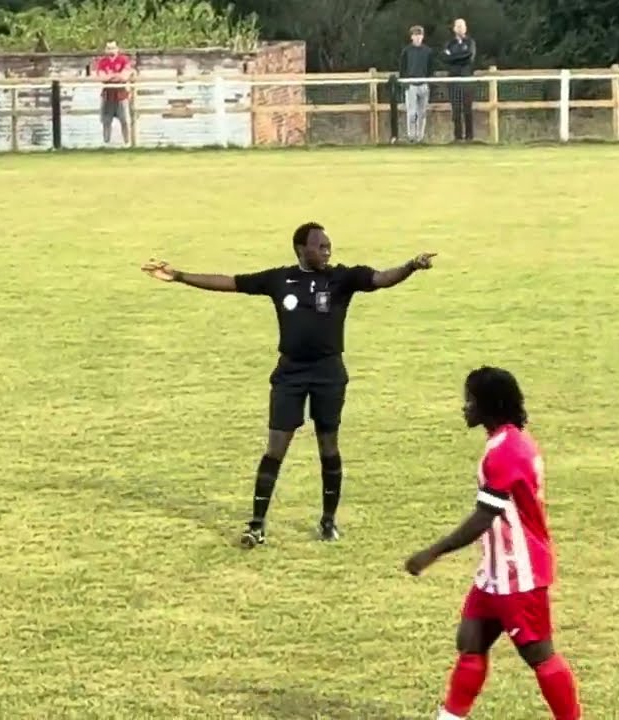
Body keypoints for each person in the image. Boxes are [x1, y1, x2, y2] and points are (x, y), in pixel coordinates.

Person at [141, 223, 436, 547]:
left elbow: (381, 279)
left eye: (328, 245)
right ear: (301, 249)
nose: (327, 251)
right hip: (290, 375)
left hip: (328, 374)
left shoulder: (342, 279)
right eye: (320, 246)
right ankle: (256, 524)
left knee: (329, 448)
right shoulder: (279, 279)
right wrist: (180, 276)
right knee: (275, 448)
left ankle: (327, 521)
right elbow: (231, 283)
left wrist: (411, 266)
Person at [405, 366, 581, 720]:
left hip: (519, 573)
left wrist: (432, 553)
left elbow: (483, 517)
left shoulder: (505, 451)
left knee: (539, 654)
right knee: (470, 641)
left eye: (469, 400)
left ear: (488, 404)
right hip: (495, 571)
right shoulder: (508, 441)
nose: (464, 407)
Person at [443, 18, 476, 142]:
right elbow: (445, 58)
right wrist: (459, 57)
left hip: (467, 79)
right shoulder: (449, 44)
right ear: (454, 29)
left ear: (466, 28)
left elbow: (469, 57)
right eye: (458, 26)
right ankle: (457, 137)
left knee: (467, 109)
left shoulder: (470, 42)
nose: (460, 28)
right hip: (453, 80)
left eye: (462, 26)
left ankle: (469, 137)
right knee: (456, 110)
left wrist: (454, 57)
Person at [94, 41, 134, 145]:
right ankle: (106, 143)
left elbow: (125, 76)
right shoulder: (102, 62)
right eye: (108, 48)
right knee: (106, 122)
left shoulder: (124, 60)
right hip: (107, 96)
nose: (111, 50)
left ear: (117, 49)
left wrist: (111, 76)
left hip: (121, 95)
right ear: (105, 50)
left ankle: (127, 144)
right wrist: (116, 76)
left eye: (113, 48)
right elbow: (102, 77)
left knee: (125, 121)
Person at [399, 25, 434, 143]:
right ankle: (411, 136)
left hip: (424, 84)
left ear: (423, 37)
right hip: (411, 85)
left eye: (420, 35)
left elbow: (431, 68)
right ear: (411, 37)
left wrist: (428, 82)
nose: (418, 37)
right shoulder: (406, 51)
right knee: (411, 112)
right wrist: (405, 83)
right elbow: (402, 68)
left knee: (422, 112)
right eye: (415, 35)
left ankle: (420, 136)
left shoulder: (428, 51)